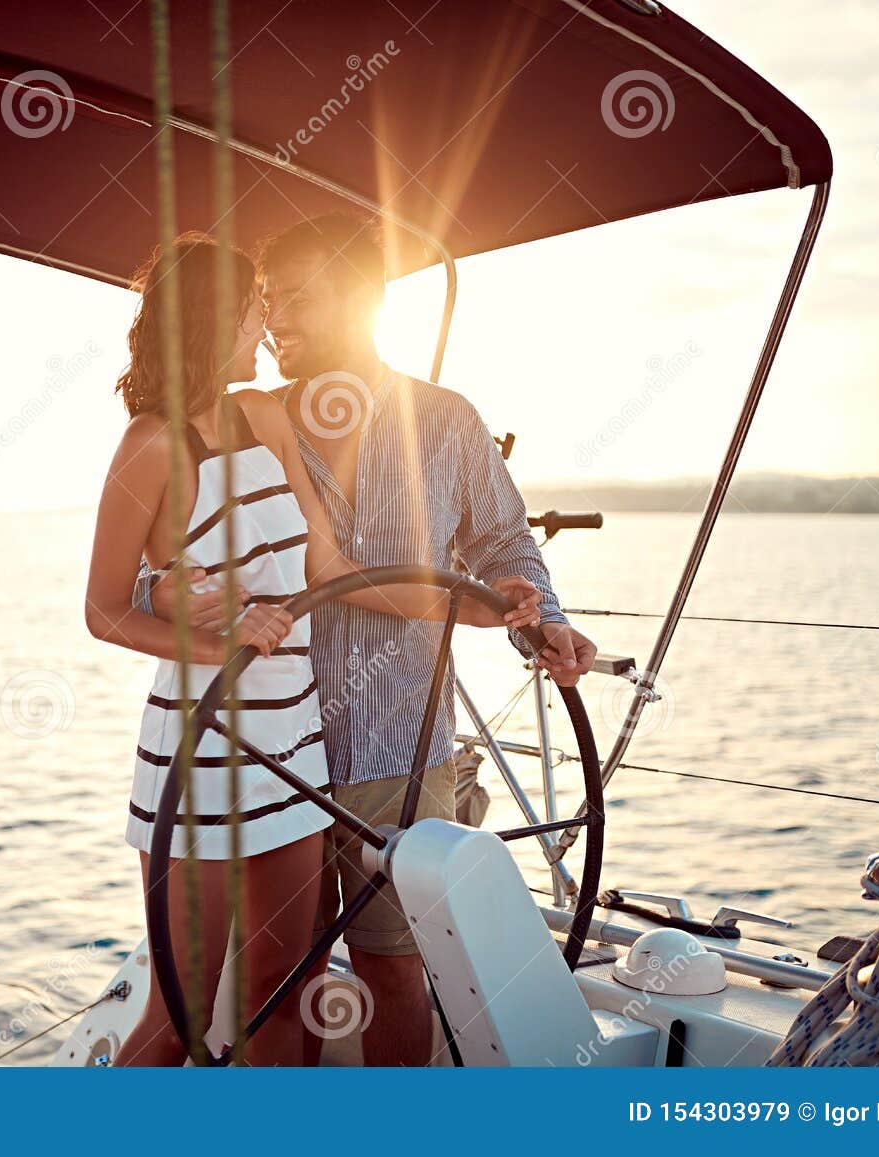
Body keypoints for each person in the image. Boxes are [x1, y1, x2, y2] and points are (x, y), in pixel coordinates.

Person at [139, 215, 599, 1066]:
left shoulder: (446, 421)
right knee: (287, 974)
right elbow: (154, 568)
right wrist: (184, 594)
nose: (276, 318)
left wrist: (549, 622)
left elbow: (504, 546)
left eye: (299, 297)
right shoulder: (238, 420)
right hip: (273, 751)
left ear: (362, 299)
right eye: (267, 303)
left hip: (403, 744)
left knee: (396, 966)